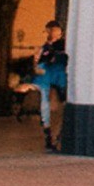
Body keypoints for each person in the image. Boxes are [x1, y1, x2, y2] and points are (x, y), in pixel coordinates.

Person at [30, 19, 67, 152]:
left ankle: (55, 138)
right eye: (49, 30)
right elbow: (39, 64)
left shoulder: (63, 46)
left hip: (60, 82)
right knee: (49, 108)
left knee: (57, 109)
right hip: (49, 82)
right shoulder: (45, 48)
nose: (51, 33)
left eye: (54, 30)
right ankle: (50, 137)